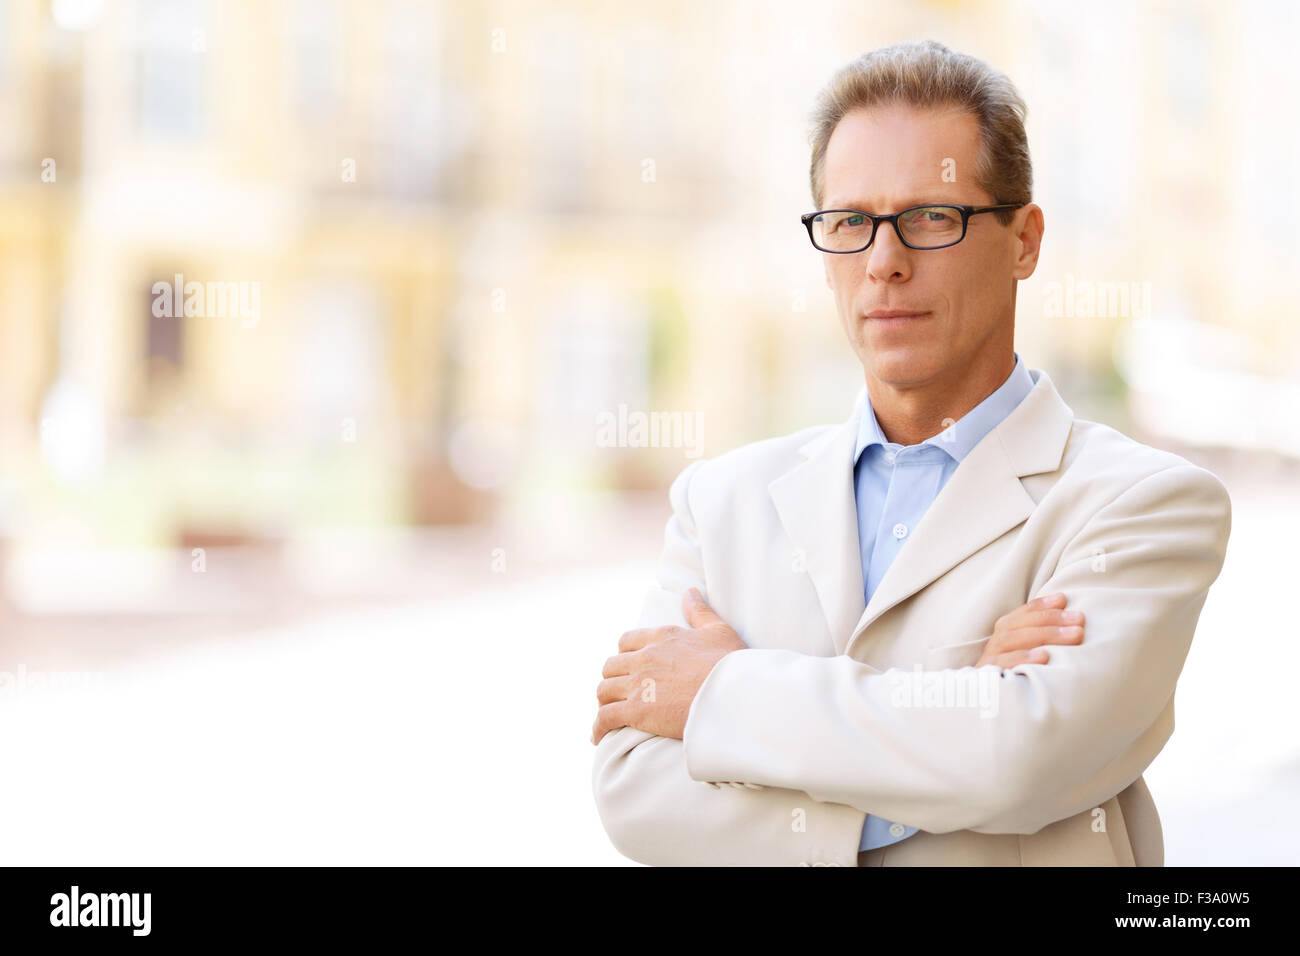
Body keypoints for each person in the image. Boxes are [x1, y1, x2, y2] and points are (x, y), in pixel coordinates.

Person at [590, 40, 1231, 867]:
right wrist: (954, 723)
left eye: (933, 216)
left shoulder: (1142, 505)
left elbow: (1018, 762)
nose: (884, 263)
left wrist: (720, 693)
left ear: (1024, 240)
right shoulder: (720, 503)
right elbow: (634, 794)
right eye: (850, 222)